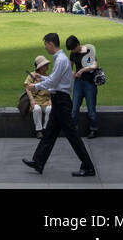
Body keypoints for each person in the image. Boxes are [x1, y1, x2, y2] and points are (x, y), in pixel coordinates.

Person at [22, 33, 96, 178]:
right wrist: (41, 77)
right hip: (59, 100)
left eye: (45, 44)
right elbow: (55, 79)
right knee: (50, 133)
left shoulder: (61, 60)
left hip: (61, 101)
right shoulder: (61, 59)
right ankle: (38, 161)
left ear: (50, 44)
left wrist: (35, 86)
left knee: (72, 136)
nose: (45, 47)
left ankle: (88, 166)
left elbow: (53, 82)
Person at [66, 34, 99, 138]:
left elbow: (94, 66)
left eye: (73, 48)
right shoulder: (72, 54)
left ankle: (93, 129)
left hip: (90, 83)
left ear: (78, 44)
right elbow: (70, 67)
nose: (73, 51)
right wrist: (72, 73)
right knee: (74, 108)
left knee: (91, 109)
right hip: (78, 83)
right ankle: (73, 129)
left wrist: (82, 70)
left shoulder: (88, 51)